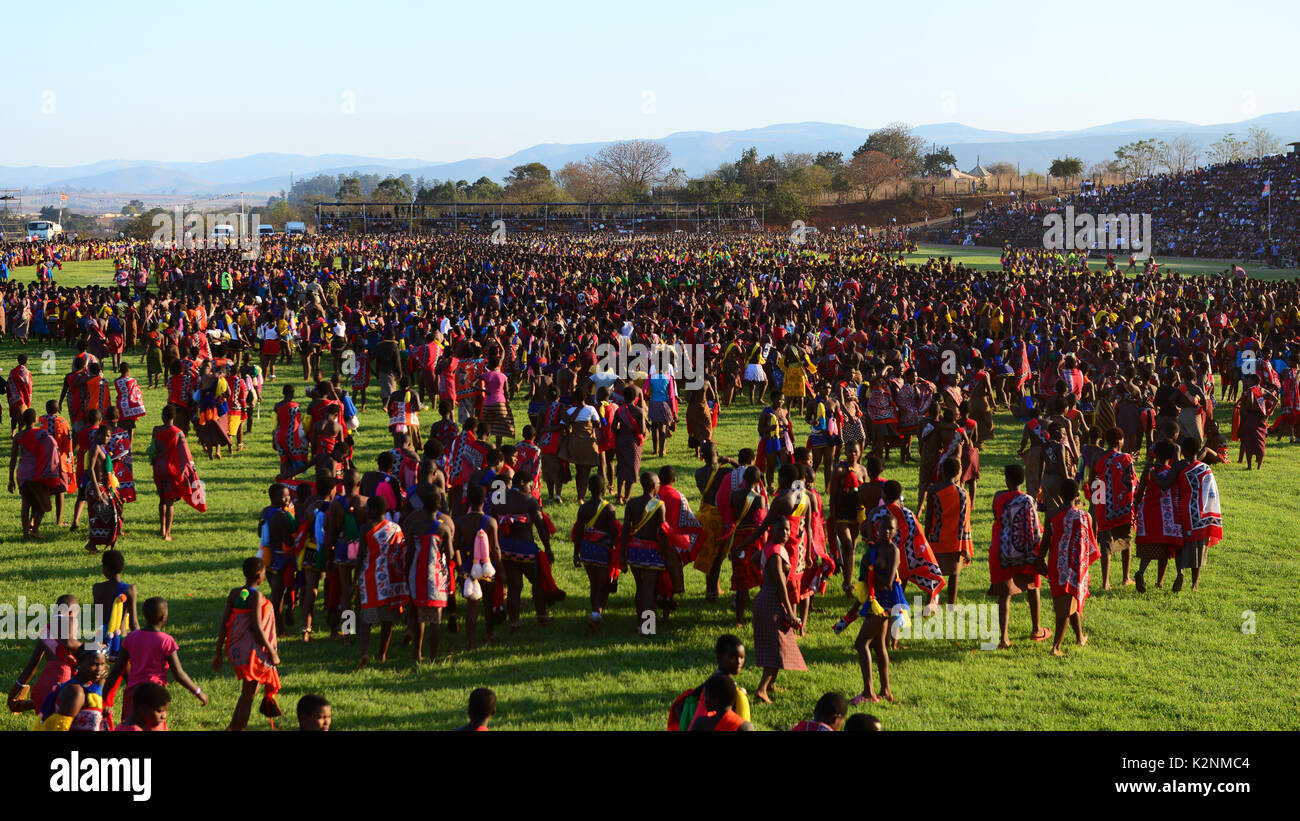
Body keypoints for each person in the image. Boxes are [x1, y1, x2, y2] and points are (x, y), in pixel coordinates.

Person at [103, 596, 208, 723]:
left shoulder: (130, 638)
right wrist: (197, 691)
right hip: (154, 695)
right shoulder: (166, 641)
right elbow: (178, 674)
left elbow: (116, 671)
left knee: (131, 726)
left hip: (133, 694)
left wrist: (102, 696)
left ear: (145, 616)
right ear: (164, 617)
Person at [214, 557, 283, 730]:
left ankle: (232, 727)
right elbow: (257, 627)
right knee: (249, 696)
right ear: (260, 574)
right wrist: (272, 652)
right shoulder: (256, 596)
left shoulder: (234, 593)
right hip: (251, 651)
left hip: (235, 648)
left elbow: (224, 625)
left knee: (247, 692)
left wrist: (218, 653)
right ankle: (239, 728)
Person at [1036, 480, 1100, 656]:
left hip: (1057, 565)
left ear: (1060, 496)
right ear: (1078, 495)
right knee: (1065, 607)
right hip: (1077, 567)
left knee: (1068, 601)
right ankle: (1056, 647)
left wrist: (1040, 560)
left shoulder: (1052, 514)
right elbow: (1092, 540)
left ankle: (1079, 637)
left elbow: (1046, 541)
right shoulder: (1086, 516)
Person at [987, 464, 1047, 647]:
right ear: (1022, 481)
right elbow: (1035, 527)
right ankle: (1036, 629)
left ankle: (1004, 638)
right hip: (1025, 550)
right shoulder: (1029, 500)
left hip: (1002, 550)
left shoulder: (998, 497)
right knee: (1032, 586)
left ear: (1007, 480)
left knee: (1004, 594)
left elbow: (997, 516)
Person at [752, 516, 805, 703]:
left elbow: (754, 558)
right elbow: (782, 585)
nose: (785, 533)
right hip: (771, 601)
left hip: (765, 598)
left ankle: (771, 684)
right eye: (781, 529)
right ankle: (761, 689)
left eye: (788, 529)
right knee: (777, 649)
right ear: (772, 530)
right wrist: (791, 613)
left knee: (776, 644)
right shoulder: (775, 554)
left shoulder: (770, 548)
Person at [356, 495, 410, 667]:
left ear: (372, 510)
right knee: (387, 620)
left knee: (367, 619)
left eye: (366, 508)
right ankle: (382, 654)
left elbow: (361, 555)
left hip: (371, 579)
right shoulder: (396, 527)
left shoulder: (366, 528)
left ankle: (364, 652)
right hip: (391, 581)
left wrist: (355, 578)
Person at [667, 633, 750, 731]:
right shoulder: (719, 682)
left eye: (742, 657)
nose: (739, 662)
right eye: (733, 658)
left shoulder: (718, 678)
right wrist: (740, 695)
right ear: (720, 657)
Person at [150, 404, 207, 541]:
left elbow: (153, 449)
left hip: (158, 468)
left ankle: (161, 529)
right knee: (170, 502)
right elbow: (185, 454)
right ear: (174, 418)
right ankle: (167, 534)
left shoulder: (156, 430)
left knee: (162, 499)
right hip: (171, 470)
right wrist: (191, 470)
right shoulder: (178, 432)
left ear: (162, 417)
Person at [572, 472, 620, 633]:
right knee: (603, 585)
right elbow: (614, 532)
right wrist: (618, 551)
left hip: (586, 549)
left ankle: (595, 612)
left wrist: (575, 553)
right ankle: (597, 615)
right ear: (603, 490)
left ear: (588, 489)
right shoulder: (609, 508)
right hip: (602, 550)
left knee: (594, 584)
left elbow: (578, 531)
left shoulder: (583, 508)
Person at [1089, 427, 1136, 589]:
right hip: (1122, 507)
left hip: (1103, 506)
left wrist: (1095, 503)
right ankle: (1125, 577)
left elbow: (1092, 481)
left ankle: (1105, 582)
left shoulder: (1097, 456)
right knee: (1126, 540)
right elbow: (1132, 482)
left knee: (1105, 544)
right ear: (1119, 441)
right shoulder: (1126, 458)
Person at [924, 457, 973, 607]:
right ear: (959, 473)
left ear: (943, 472)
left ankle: (930, 602)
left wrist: (926, 536)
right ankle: (952, 604)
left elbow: (929, 516)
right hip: (956, 540)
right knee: (954, 573)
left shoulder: (933, 490)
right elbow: (965, 521)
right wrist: (966, 545)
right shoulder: (964, 494)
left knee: (933, 573)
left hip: (936, 538)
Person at [9, 408, 61, 540]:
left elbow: (13, 459)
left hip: (23, 474)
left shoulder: (18, 436)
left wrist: (10, 479)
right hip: (39, 472)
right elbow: (54, 448)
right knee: (43, 504)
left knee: (25, 504)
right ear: (35, 419)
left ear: (23, 420)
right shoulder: (42, 434)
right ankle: (35, 528)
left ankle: (25, 535)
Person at [34, 646, 112, 732]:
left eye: (102, 664)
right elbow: (61, 727)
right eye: (94, 664)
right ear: (79, 662)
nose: (99, 669)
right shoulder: (75, 692)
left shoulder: (87, 687)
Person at [686, 674, 753, 731]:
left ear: (715, 700)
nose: (704, 700)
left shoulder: (700, 724)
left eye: (706, 696)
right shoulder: (745, 726)